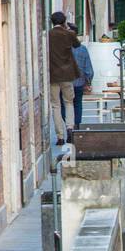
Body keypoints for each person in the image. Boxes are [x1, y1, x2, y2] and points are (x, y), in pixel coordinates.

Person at [47, 11, 80, 148]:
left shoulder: (48, 35)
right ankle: (70, 128)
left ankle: (60, 136)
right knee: (69, 102)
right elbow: (77, 45)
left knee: (55, 105)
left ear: (52, 22)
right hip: (67, 75)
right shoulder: (69, 34)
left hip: (53, 74)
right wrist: (68, 30)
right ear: (64, 21)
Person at [67, 23, 94, 130]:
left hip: (64, 82)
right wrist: (88, 82)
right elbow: (89, 70)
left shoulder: (62, 49)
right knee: (77, 104)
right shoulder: (83, 49)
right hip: (78, 82)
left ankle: (69, 125)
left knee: (64, 105)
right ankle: (77, 126)